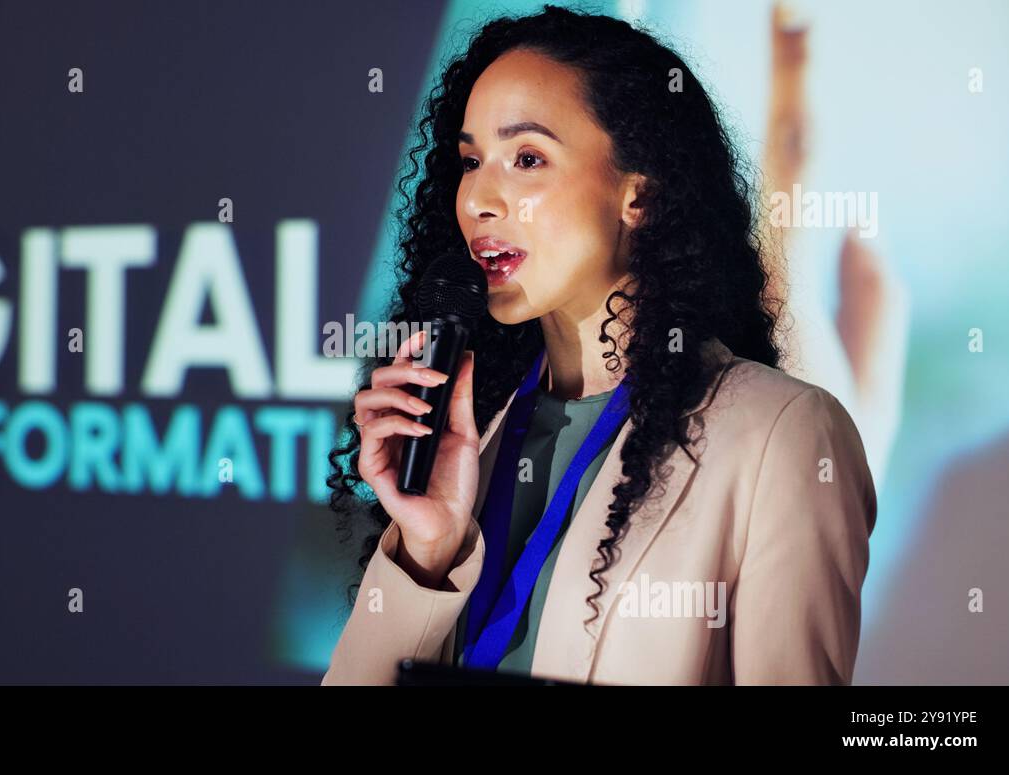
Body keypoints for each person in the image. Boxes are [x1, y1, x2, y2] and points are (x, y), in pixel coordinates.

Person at [322, 6, 876, 686]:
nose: (478, 200)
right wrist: (426, 548)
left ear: (636, 195)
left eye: (527, 158)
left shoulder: (781, 435)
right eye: (471, 161)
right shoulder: (478, 433)